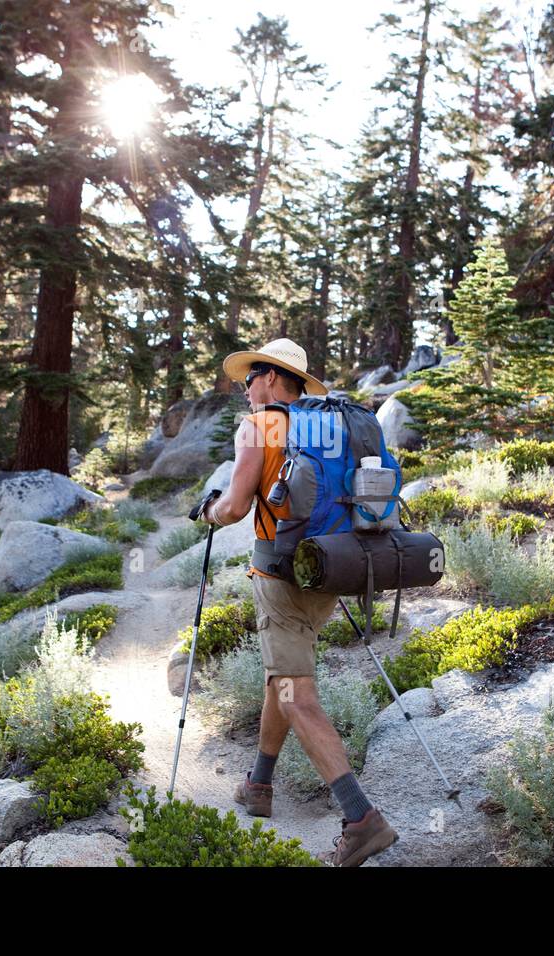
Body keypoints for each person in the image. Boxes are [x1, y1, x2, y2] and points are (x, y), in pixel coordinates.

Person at [200, 337, 399, 867]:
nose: (245, 392)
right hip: (331, 570)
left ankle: (361, 820)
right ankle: (259, 785)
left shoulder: (261, 425)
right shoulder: (330, 427)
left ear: (270, 378)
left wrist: (210, 510)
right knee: (280, 677)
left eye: (249, 381)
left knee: (294, 693)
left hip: (281, 576)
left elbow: (238, 507)